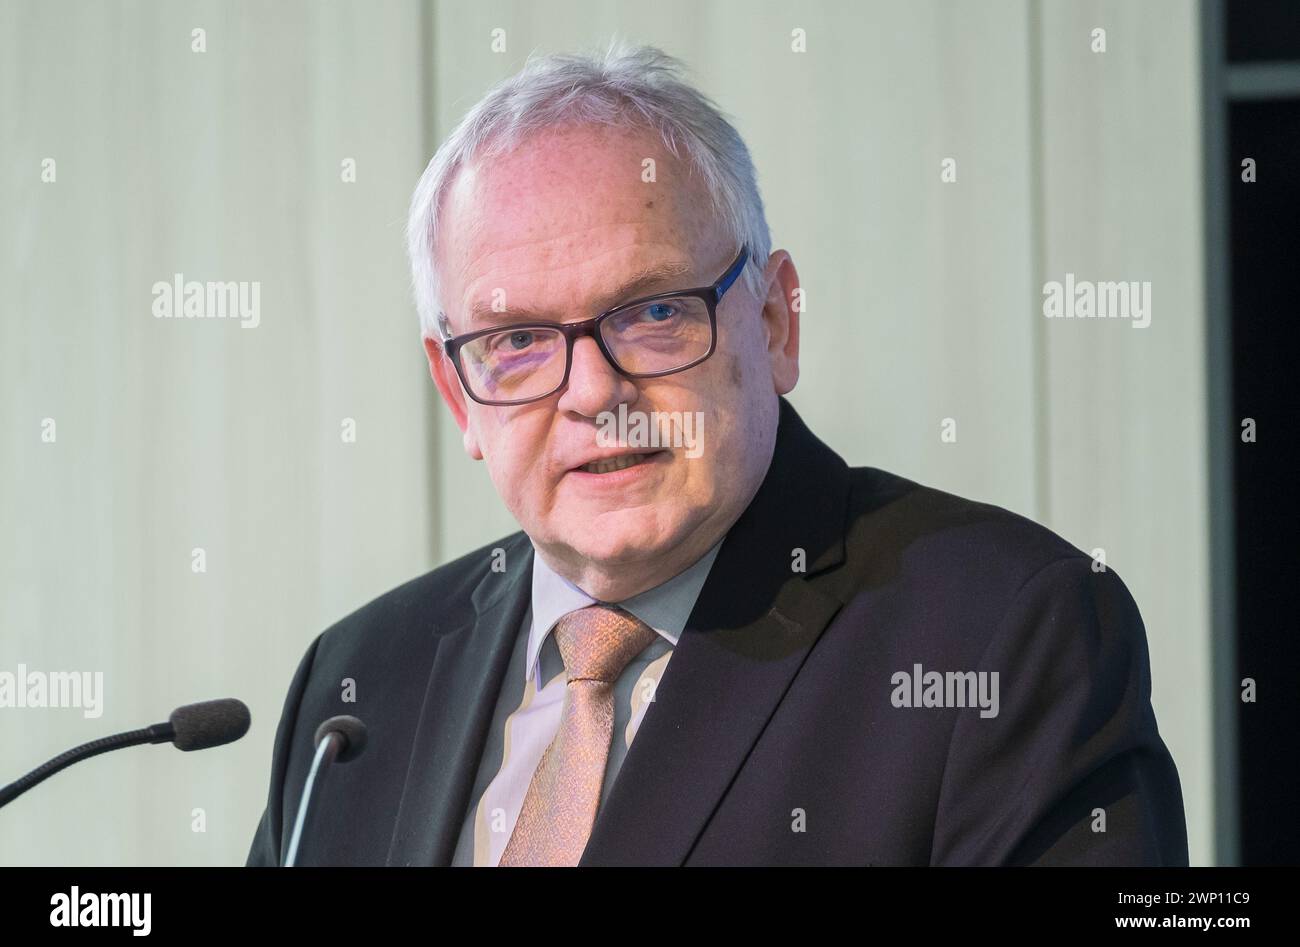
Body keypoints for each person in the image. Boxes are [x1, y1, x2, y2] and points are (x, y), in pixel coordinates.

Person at [247, 42, 1188, 866]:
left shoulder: (1005, 634)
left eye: (654, 312)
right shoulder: (359, 684)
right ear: (458, 392)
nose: (591, 393)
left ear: (775, 321)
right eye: (518, 341)